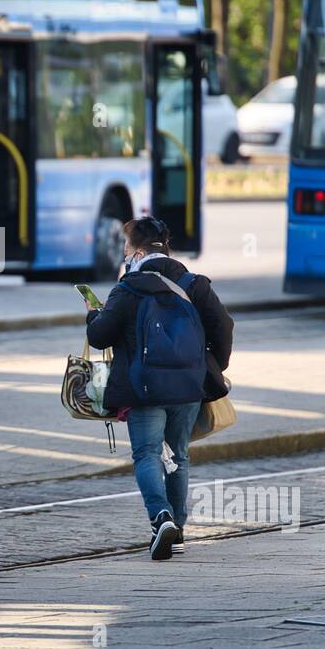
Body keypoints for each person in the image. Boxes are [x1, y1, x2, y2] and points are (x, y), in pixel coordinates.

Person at [85, 216, 234, 560]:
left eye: (125, 247)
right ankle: (177, 530)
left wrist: (94, 314)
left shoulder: (127, 289)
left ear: (137, 250)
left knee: (147, 454)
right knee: (178, 456)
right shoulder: (194, 283)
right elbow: (223, 325)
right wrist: (210, 367)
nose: (124, 254)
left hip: (144, 388)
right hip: (188, 388)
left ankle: (161, 518)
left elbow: (99, 337)